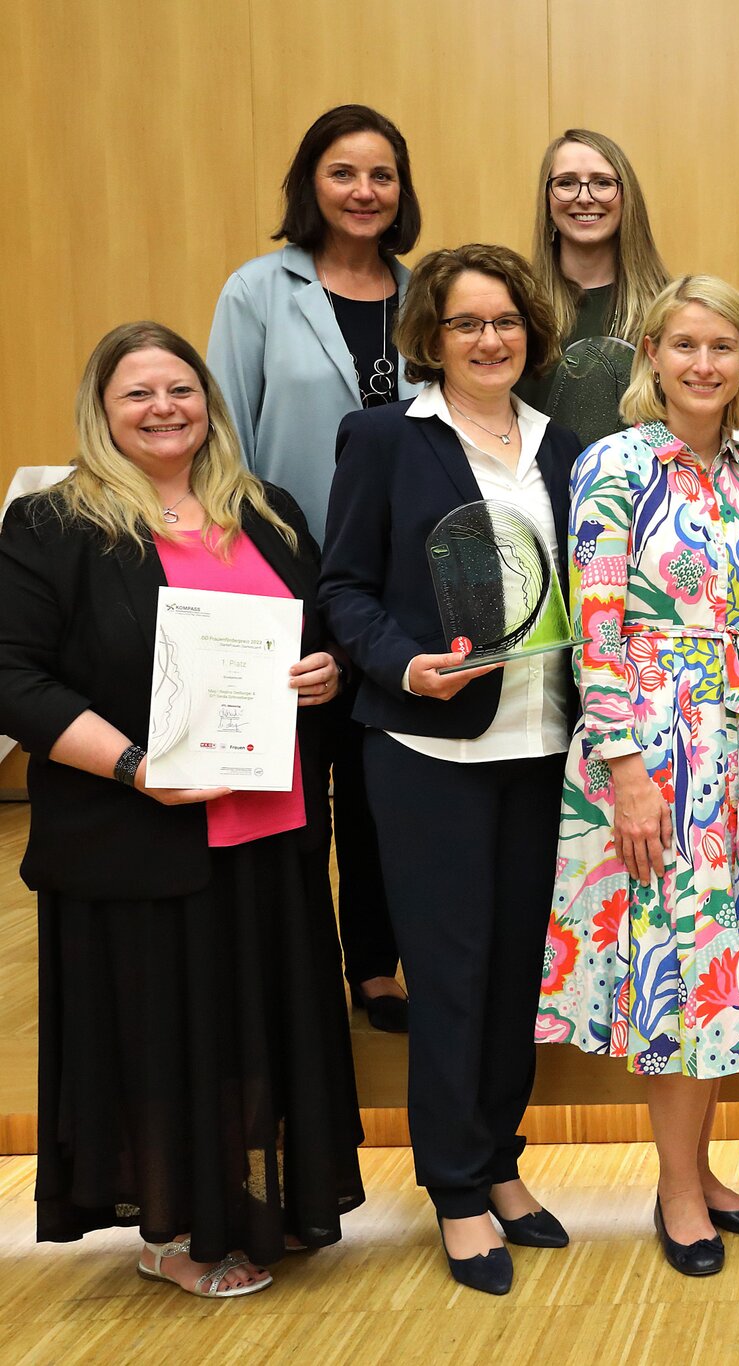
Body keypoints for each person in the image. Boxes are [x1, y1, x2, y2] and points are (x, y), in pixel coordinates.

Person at [0, 321, 362, 1298]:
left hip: (269, 830)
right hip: (137, 835)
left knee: (251, 1029)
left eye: (181, 390)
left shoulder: (267, 512)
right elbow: (12, 676)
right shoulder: (57, 523)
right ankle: (172, 1231)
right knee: (164, 1039)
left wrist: (324, 673)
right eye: (138, 393)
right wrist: (131, 764)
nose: (164, 408)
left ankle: (246, 1209)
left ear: (209, 403)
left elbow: (320, 636)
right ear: (102, 410)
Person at [319, 244, 580, 1295]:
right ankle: (457, 1189)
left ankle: (502, 1162)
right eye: (467, 323)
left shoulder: (567, 447)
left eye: (506, 321)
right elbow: (342, 590)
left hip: (542, 744)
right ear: (430, 336)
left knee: (516, 971)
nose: (489, 339)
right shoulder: (386, 438)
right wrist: (400, 667)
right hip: (428, 748)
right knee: (454, 974)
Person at [539, 275, 739, 1277]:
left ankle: (696, 1167)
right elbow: (595, 620)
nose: (704, 364)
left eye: (723, 347)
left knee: (722, 963)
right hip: (654, 742)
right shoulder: (614, 464)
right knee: (673, 972)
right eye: (685, 344)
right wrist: (625, 768)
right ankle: (676, 1186)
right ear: (651, 352)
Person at [208, 103, 421, 1031]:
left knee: (378, 789)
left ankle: (374, 967)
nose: (364, 192)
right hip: (284, 572)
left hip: (396, 586)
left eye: (382, 175)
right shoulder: (258, 291)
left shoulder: (425, 294)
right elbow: (222, 436)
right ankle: (292, 971)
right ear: (312, 183)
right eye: (344, 173)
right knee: (291, 782)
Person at [517, 128, 670, 419]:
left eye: (602, 183)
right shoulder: (517, 305)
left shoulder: (670, 307)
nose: (585, 197)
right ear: (547, 201)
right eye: (566, 183)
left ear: (627, 199)